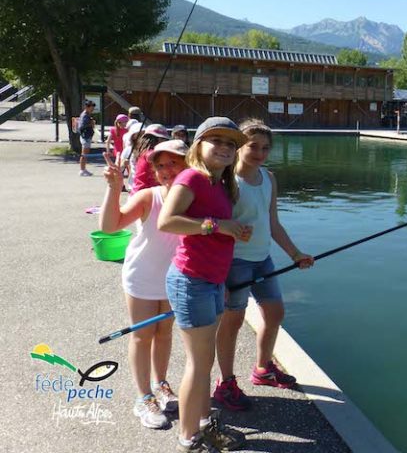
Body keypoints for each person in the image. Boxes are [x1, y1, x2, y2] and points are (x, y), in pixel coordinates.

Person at [158, 117, 250, 453]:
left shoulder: (221, 184)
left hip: (211, 282)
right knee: (198, 363)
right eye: (217, 141)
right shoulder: (192, 177)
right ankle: (188, 438)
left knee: (204, 361)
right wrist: (218, 226)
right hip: (190, 281)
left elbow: (215, 228)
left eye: (231, 144)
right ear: (199, 145)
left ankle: (199, 424)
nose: (225, 148)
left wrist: (230, 231)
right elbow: (167, 221)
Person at [213, 119, 313, 411]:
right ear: (239, 145)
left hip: (263, 259)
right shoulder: (225, 180)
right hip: (235, 263)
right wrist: (219, 278)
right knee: (231, 322)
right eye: (253, 145)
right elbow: (215, 227)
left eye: (265, 148)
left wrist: (295, 254)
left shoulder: (269, 178)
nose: (259, 152)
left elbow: (273, 223)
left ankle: (263, 369)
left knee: (275, 313)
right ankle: (226, 382)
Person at [99, 140, 189, 429]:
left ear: (189, 164)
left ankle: (161, 383)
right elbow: (110, 226)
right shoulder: (149, 197)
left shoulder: (196, 198)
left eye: (173, 162)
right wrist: (115, 188)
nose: (166, 170)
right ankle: (143, 398)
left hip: (175, 278)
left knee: (164, 333)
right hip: (142, 276)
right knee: (142, 335)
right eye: (160, 165)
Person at [130, 124, 171, 195]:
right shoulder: (151, 154)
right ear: (158, 140)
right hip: (145, 195)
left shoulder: (143, 152)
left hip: (138, 192)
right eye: (164, 140)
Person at [77, 100, 97, 177]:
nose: (92, 110)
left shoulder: (87, 115)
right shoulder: (84, 115)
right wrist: (90, 123)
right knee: (84, 154)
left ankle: (84, 169)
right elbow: (81, 126)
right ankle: (82, 170)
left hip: (87, 136)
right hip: (85, 136)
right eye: (91, 108)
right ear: (87, 107)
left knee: (86, 153)